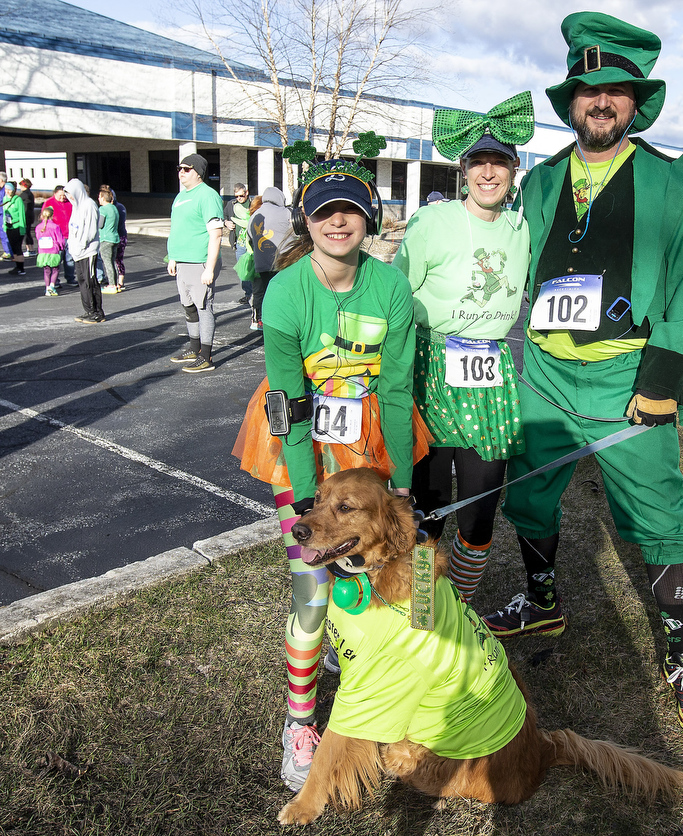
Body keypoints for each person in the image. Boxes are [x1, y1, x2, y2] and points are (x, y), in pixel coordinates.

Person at [483, 12, 683, 734]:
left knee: (660, 521)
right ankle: (542, 597)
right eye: (589, 91)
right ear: (572, 101)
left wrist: (661, 386)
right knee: (527, 497)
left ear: (635, 102)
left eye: (616, 90)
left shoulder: (668, 181)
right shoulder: (545, 179)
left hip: (630, 381)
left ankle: (681, 655)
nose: (602, 102)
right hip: (546, 375)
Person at [231, 157, 431, 792]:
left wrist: (399, 482)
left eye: (349, 209)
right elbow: (286, 405)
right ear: (306, 222)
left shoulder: (391, 287)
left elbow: (397, 391)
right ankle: (298, 720)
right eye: (323, 211)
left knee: (390, 570)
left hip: (368, 433)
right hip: (299, 440)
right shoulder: (287, 290)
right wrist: (304, 508)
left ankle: (389, 691)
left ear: (368, 218)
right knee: (311, 583)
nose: (337, 221)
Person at [392, 92, 534, 601]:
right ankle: (425, 612)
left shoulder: (522, 228)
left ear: (514, 171)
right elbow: (395, 297)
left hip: (489, 377)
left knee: (479, 507)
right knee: (427, 505)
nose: (489, 173)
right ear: (464, 169)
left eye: (500, 163)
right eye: (480, 163)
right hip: (430, 371)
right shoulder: (433, 222)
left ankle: (465, 609)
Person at [166, 154, 224, 373]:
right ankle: (194, 348)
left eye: (186, 169)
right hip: (182, 262)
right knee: (188, 307)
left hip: (200, 262)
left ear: (198, 172)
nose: (181, 172)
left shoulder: (208, 196)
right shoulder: (180, 197)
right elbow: (177, 228)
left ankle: (206, 357)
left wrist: (209, 268)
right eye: (179, 168)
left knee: (203, 307)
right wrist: (172, 257)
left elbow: (216, 234)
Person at [246, 185, 293, 331]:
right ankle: (283, 325)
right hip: (284, 263)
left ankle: (266, 323)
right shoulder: (286, 212)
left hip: (262, 265)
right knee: (284, 295)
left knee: (267, 293)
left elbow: (249, 237)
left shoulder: (255, 215)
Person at [65, 178, 104, 324]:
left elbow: (91, 229)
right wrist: (72, 246)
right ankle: (88, 310)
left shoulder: (89, 205)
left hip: (87, 251)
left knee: (90, 281)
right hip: (77, 252)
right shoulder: (76, 207)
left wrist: (82, 244)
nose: (69, 197)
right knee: (82, 281)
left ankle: (97, 312)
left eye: (70, 193)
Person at [223, 182, 254, 304]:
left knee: (254, 270)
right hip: (240, 243)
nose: (239, 198)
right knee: (243, 270)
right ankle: (248, 294)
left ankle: (257, 294)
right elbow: (224, 215)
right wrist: (226, 222)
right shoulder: (231, 204)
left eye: (241, 195)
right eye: (236, 196)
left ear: (246, 193)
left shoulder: (253, 203)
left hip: (252, 242)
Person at [41, 185, 76, 287]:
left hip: (69, 235)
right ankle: (54, 281)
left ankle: (70, 278)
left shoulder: (70, 202)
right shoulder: (49, 203)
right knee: (56, 259)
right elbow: (45, 218)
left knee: (69, 259)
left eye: (64, 195)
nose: (62, 197)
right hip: (56, 237)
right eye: (60, 195)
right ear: (55, 194)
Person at [35, 205, 66, 297]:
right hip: (53, 251)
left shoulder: (38, 227)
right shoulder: (55, 226)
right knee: (56, 269)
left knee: (46, 270)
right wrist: (61, 247)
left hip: (43, 252)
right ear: (52, 216)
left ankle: (47, 287)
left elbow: (37, 237)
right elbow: (60, 239)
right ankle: (52, 285)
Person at [97, 187, 122, 293]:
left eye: (99, 197)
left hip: (106, 238)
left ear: (103, 198)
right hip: (115, 238)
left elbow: (100, 224)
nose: (98, 199)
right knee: (112, 262)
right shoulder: (114, 208)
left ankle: (111, 285)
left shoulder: (103, 209)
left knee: (107, 262)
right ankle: (116, 284)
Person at [3, 181, 27, 275]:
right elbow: (5, 214)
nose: (7, 191)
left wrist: (22, 229)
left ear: (13, 190)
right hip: (9, 226)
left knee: (18, 247)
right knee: (13, 247)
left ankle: (21, 268)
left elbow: (22, 215)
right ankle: (17, 266)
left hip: (17, 225)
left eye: (9, 190)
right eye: (6, 190)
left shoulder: (18, 200)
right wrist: (5, 226)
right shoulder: (5, 199)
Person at [18, 179, 36, 256]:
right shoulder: (30, 194)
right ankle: (31, 249)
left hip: (25, 216)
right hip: (30, 215)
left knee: (26, 233)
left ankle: (30, 249)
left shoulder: (24, 195)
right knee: (28, 232)